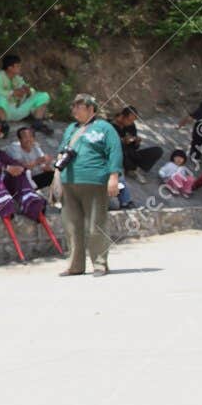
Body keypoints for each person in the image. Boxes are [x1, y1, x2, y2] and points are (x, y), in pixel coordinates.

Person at [55, 93, 122, 277]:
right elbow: (62, 152)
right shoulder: (71, 129)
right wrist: (56, 177)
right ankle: (75, 265)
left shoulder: (105, 128)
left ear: (91, 108)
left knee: (96, 225)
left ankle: (100, 264)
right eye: (73, 106)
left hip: (95, 181)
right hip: (70, 182)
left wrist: (113, 177)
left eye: (79, 106)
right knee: (71, 225)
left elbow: (114, 152)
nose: (74, 110)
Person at [0, 127, 47, 221]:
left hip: (4, 188)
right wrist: (6, 168)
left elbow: (14, 163)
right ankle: (4, 203)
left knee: (19, 173)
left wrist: (18, 168)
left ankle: (29, 201)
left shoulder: (0, 153)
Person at [0, 53, 52, 130]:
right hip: (5, 110)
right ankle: (3, 125)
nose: (20, 68)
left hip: (19, 109)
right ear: (10, 68)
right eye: (18, 66)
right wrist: (12, 93)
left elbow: (28, 90)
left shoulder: (17, 78)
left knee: (43, 95)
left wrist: (29, 91)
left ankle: (38, 122)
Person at [110, 106, 163, 182]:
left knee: (157, 151)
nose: (131, 123)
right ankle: (129, 169)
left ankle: (132, 169)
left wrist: (136, 142)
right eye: (129, 120)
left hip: (131, 155)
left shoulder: (131, 126)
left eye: (133, 121)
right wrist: (122, 141)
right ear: (122, 116)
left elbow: (135, 147)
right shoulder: (109, 125)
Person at [7, 125, 55, 190]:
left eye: (31, 137)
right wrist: (39, 160)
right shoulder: (14, 147)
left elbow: (43, 167)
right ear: (19, 139)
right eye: (25, 137)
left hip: (33, 177)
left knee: (55, 176)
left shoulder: (35, 146)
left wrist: (48, 164)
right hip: (20, 179)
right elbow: (22, 167)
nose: (28, 139)